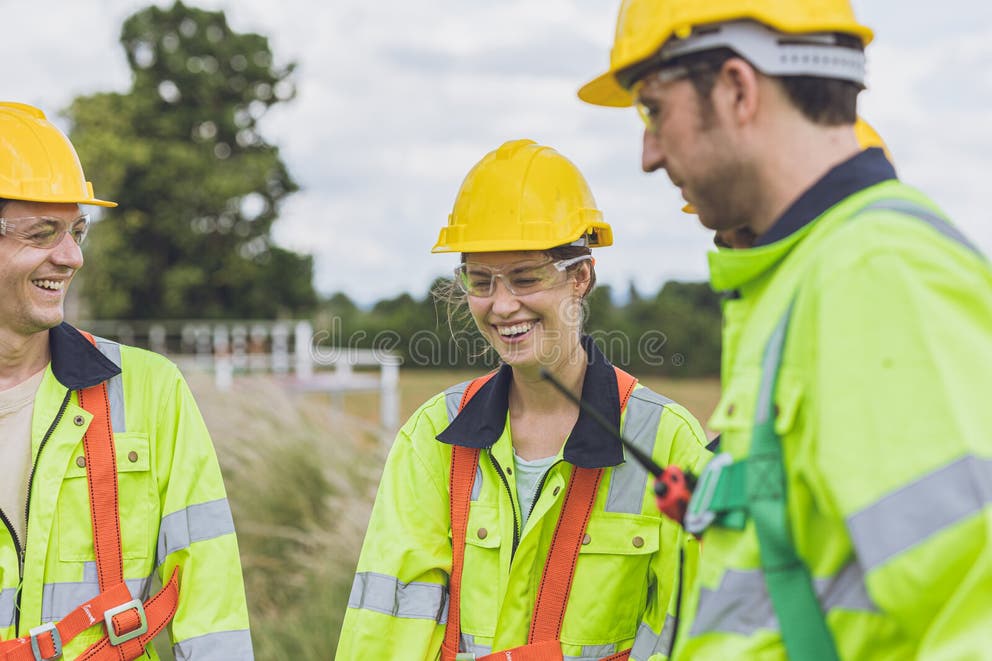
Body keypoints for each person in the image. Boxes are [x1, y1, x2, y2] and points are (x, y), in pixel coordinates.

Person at [579, 2, 992, 659]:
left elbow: (975, 614)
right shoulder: (807, 278)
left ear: (739, 89)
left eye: (654, 110)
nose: (648, 154)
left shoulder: (876, 271)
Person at [337, 139, 711, 660]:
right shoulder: (434, 436)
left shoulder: (668, 441)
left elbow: (699, 637)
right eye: (481, 281)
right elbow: (384, 634)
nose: (503, 305)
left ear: (581, 275)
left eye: (525, 277)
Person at [0, 101, 252, 659]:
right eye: (43, 234)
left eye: (77, 232)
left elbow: (211, 604)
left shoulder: (148, 389)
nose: (70, 257)